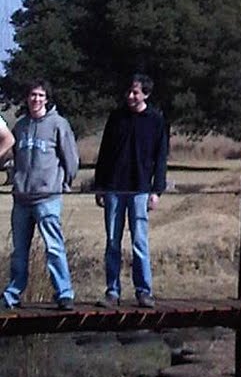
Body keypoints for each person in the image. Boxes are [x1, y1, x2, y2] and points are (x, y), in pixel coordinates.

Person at [1, 79, 78, 310]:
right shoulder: (21, 126)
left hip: (48, 197)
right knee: (19, 251)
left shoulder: (58, 124)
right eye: (32, 95)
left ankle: (64, 293)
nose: (36, 99)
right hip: (22, 198)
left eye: (40, 96)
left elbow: (71, 159)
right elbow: (11, 155)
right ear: (27, 98)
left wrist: (64, 183)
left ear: (47, 99)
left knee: (54, 248)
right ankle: (13, 293)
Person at [94, 73, 167, 309]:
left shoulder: (156, 120)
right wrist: (100, 185)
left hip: (140, 189)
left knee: (139, 242)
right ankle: (112, 292)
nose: (131, 96)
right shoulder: (116, 118)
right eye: (129, 92)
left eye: (136, 92)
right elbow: (104, 153)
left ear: (145, 94)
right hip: (114, 188)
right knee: (113, 242)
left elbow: (161, 158)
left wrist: (157, 190)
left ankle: (144, 291)